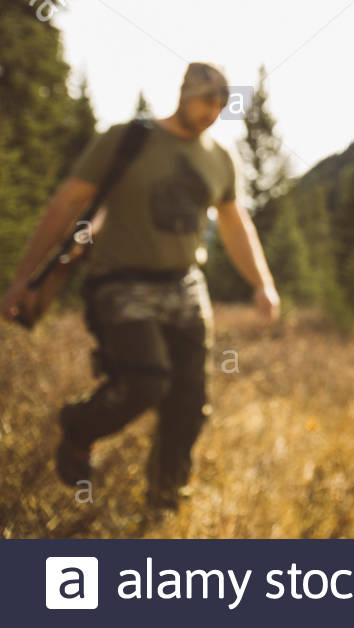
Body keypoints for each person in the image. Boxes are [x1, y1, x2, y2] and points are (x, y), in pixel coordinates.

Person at [2, 62, 281, 510]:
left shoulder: (218, 158)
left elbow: (233, 223)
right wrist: (24, 278)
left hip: (186, 285)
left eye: (221, 103)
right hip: (121, 282)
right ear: (184, 93)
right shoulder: (129, 139)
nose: (212, 110)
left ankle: (165, 497)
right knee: (144, 383)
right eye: (206, 98)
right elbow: (67, 202)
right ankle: (78, 427)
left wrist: (262, 283)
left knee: (189, 402)